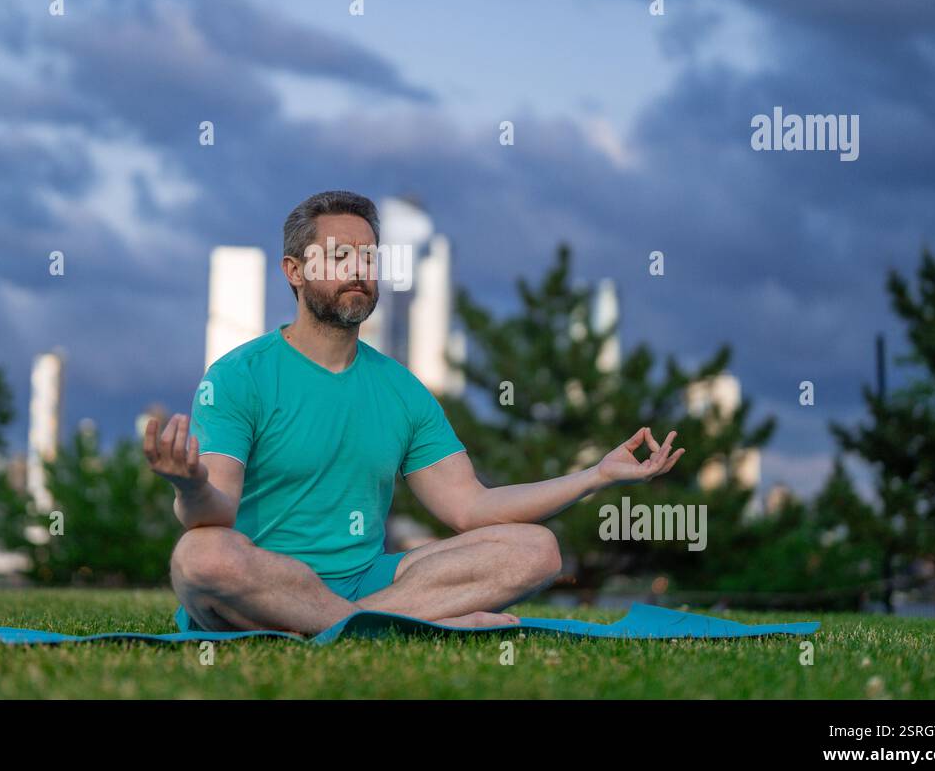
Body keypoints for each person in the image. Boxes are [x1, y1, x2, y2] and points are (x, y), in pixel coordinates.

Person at [145, 190, 684, 634]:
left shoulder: (402, 389)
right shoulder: (239, 375)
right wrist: (190, 485)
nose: (358, 269)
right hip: (266, 579)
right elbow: (210, 516)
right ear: (295, 271)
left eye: (368, 257)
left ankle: (349, 623)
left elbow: (470, 508)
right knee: (201, 556)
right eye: (337, 256)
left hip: (371, 580)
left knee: (537, 549)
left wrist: (595, 475)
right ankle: (392, 623)